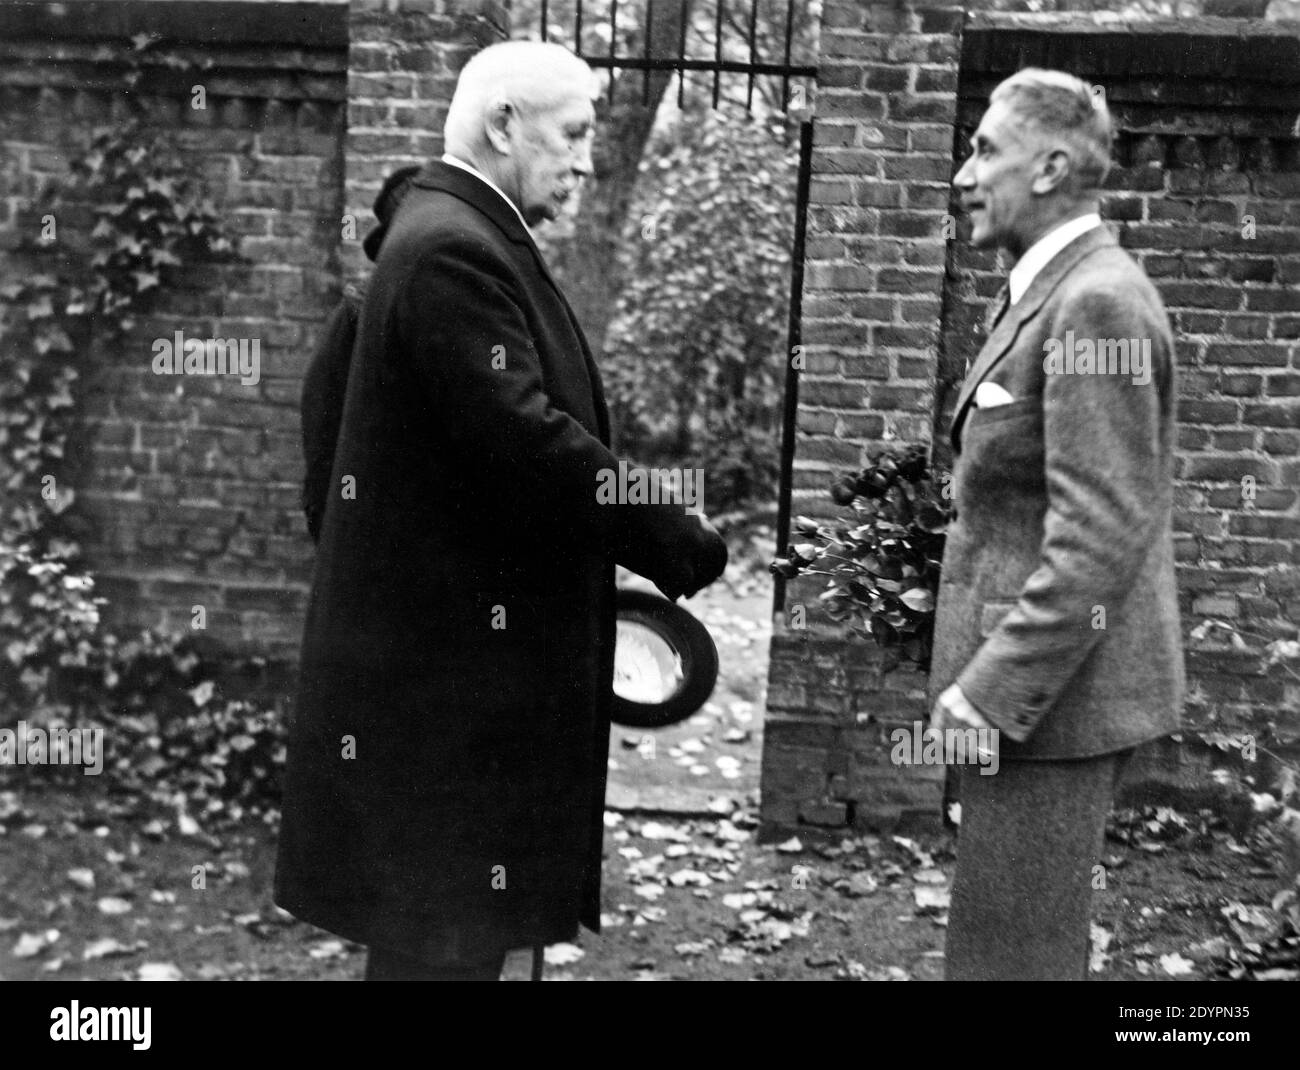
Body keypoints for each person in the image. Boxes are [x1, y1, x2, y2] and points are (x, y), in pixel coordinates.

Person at [275, 40, 727, 981]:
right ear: (502, 125)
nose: (588, 159)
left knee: (452, 943)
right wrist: (672, 536)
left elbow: (336, 416)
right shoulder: (453, 251)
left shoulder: (443, 230)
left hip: (446, 676)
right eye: (573, 134)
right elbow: (528, 440)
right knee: (442, 951)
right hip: (452, 694)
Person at [928, 68, 1184, 981]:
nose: (965, 172)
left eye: (986, 150)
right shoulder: (1045, 287)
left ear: (1051, 167)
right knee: (1005, 947)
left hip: (1049, 708)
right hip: (1033, 701)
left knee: (1012, 962)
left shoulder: (1095, 301)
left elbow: (1100, 536)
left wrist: (989, 693)